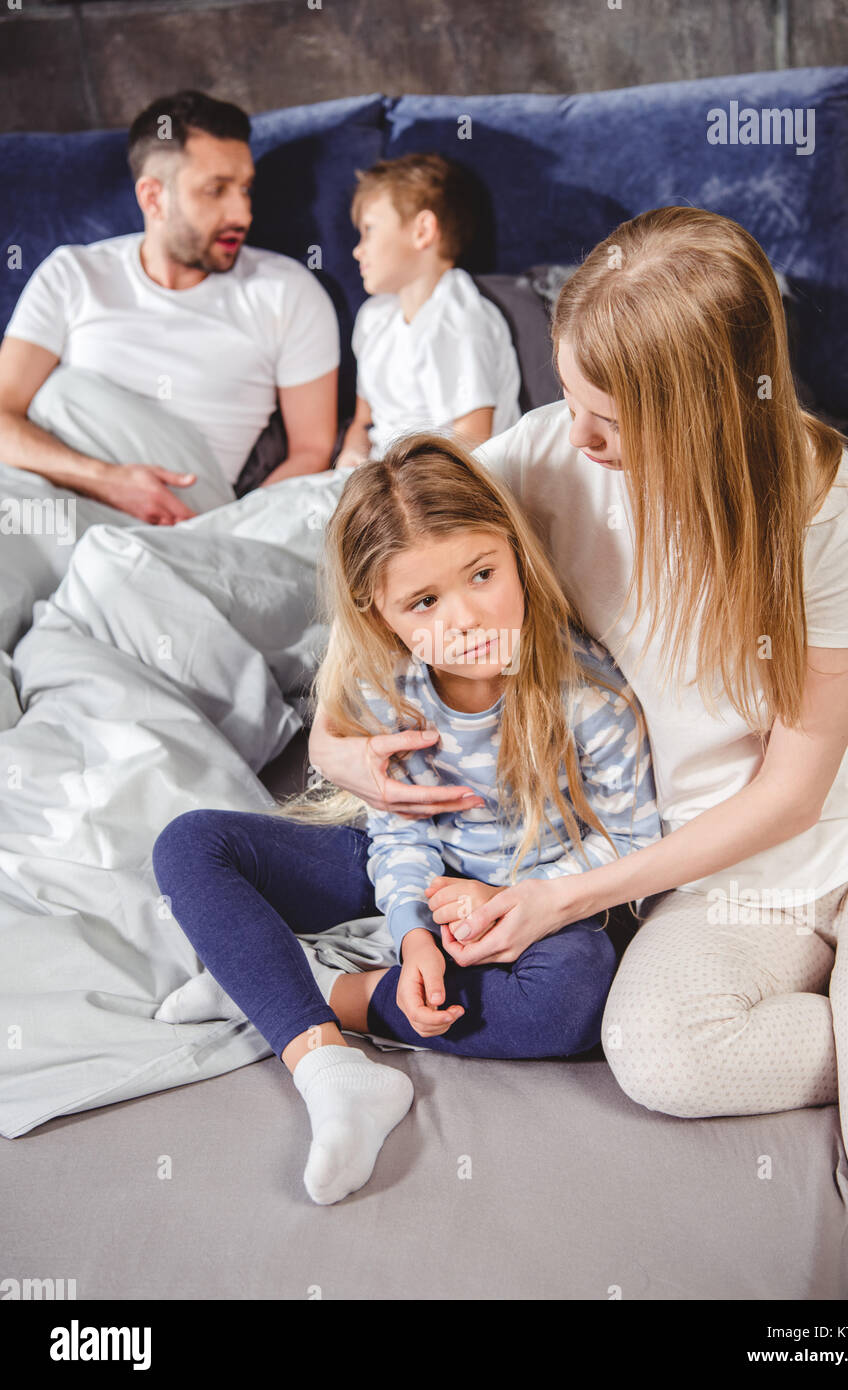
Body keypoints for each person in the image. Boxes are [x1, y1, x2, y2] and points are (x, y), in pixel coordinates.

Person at [305, 206, 848, 1247]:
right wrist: (334, 747)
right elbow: (382, 567)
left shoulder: (839, 511)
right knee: (656, 1055)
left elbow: (793, 795)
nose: (577, 435)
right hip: (698, 879)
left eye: (609, 417)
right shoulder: (546, 458)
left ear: (705, 412)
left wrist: (559, 897)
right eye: (568, 395)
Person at [151, 431, 660, 1205]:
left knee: (573, 997)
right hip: (412, 877)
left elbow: (632, 842)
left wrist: (507, 899)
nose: (467, 618)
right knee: (192, 845)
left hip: (538, 900)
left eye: (483, 574)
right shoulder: (394, 688)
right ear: (382, 614)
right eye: (425, 602)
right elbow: (398, 827)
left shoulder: (587, 696)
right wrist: (413, 929)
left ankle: (299, 991)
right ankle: (327, 1065)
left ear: (515, 552)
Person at [0, 90, 339, 526]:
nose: (242, 214)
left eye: (245, 189)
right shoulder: (74, 274)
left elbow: (311, 451)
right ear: (153, 197)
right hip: (57, 495)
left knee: (60, 393)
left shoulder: (286, 291)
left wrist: (223, 534)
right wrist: (106, 481)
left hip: (186, 517)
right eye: (216, 190)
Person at [334, 154, 521, 469]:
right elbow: (364, 422)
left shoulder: (460, 319)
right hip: (376, 474)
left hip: (435, 483)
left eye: (369, 230)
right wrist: (350, 457)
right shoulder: (373, 318)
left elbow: (472, 443)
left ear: (423, 230)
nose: (357, 249)